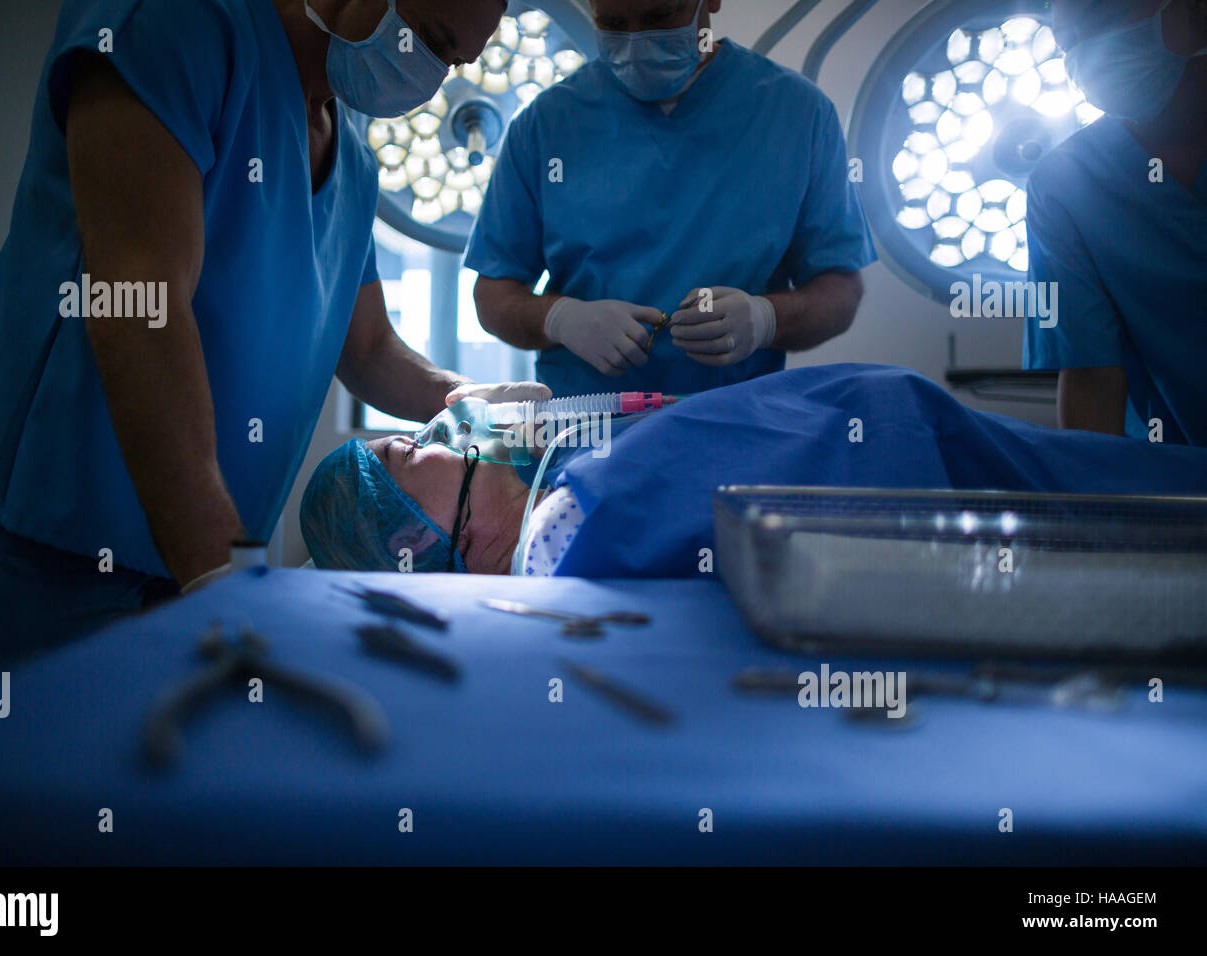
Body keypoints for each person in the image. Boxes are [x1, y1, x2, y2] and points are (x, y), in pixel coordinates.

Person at [0, 0, 541, 668]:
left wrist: (468, 396)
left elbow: (369, 350)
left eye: (457, 62)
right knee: (42, 760)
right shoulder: (175, 22)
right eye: (436, 43)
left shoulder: (352, 162)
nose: (436, 80)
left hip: (192, 549)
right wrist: (216, 575)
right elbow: (136, 305)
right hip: (51, 526)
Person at [300, 364, 1207, 578]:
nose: (439, 433)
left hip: (897, 421)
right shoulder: (567, 528)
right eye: (406, 449)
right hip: (901, 445)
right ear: (411, 543)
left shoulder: (571, 474)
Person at [462, 0, 876, 398]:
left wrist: (767, 319)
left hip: (738, 429)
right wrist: (559, 318)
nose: (638, 40)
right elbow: (494, 294)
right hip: (585, 436)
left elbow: (840, 290)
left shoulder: (798, 114)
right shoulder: (545, 125)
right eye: (614, 24)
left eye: (660, 16)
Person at [1024, 0, 1207, 444]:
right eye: (1068, 43)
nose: (1087, 50)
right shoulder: (1064, 186)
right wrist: (1091, 507)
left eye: (1105, 15)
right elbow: (1091, 379)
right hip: (1179, 482)